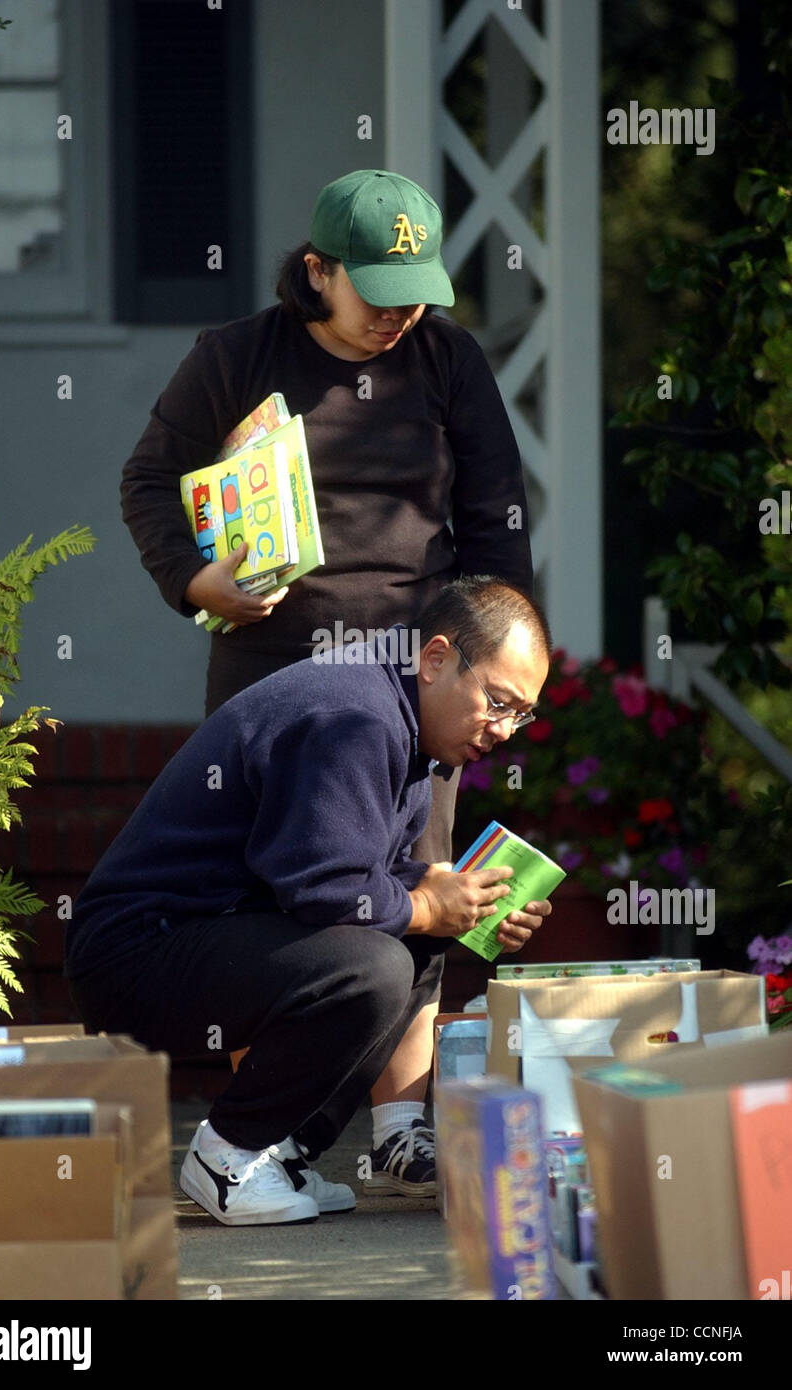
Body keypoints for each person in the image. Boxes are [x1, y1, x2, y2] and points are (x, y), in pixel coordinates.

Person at [118, 168, 534, 1188]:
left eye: (417, 288)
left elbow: (496, 521)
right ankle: (268, 1137)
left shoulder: (447, 359)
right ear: (318, 273)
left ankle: (401, 1127)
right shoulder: (235, 356)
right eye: (379, 289)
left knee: (418, 891)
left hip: (416, 680)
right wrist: (198, 579)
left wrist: (497, 669)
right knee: (277, 902)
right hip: (274, 673)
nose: (401, 311)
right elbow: (147, 484)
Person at [63, 579, 554, 1226]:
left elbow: (359, 877)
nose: (504, 731)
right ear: (435, 660)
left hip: (208, 933)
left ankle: (281, 1153)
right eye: (498, 702)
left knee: (415, 932)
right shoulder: (356, 717)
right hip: (138, 955)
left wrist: (469, 904)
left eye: (521, 714)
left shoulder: (397, 716)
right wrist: (429, 904)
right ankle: (226, 1159)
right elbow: (324, 889)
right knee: (375, 963)